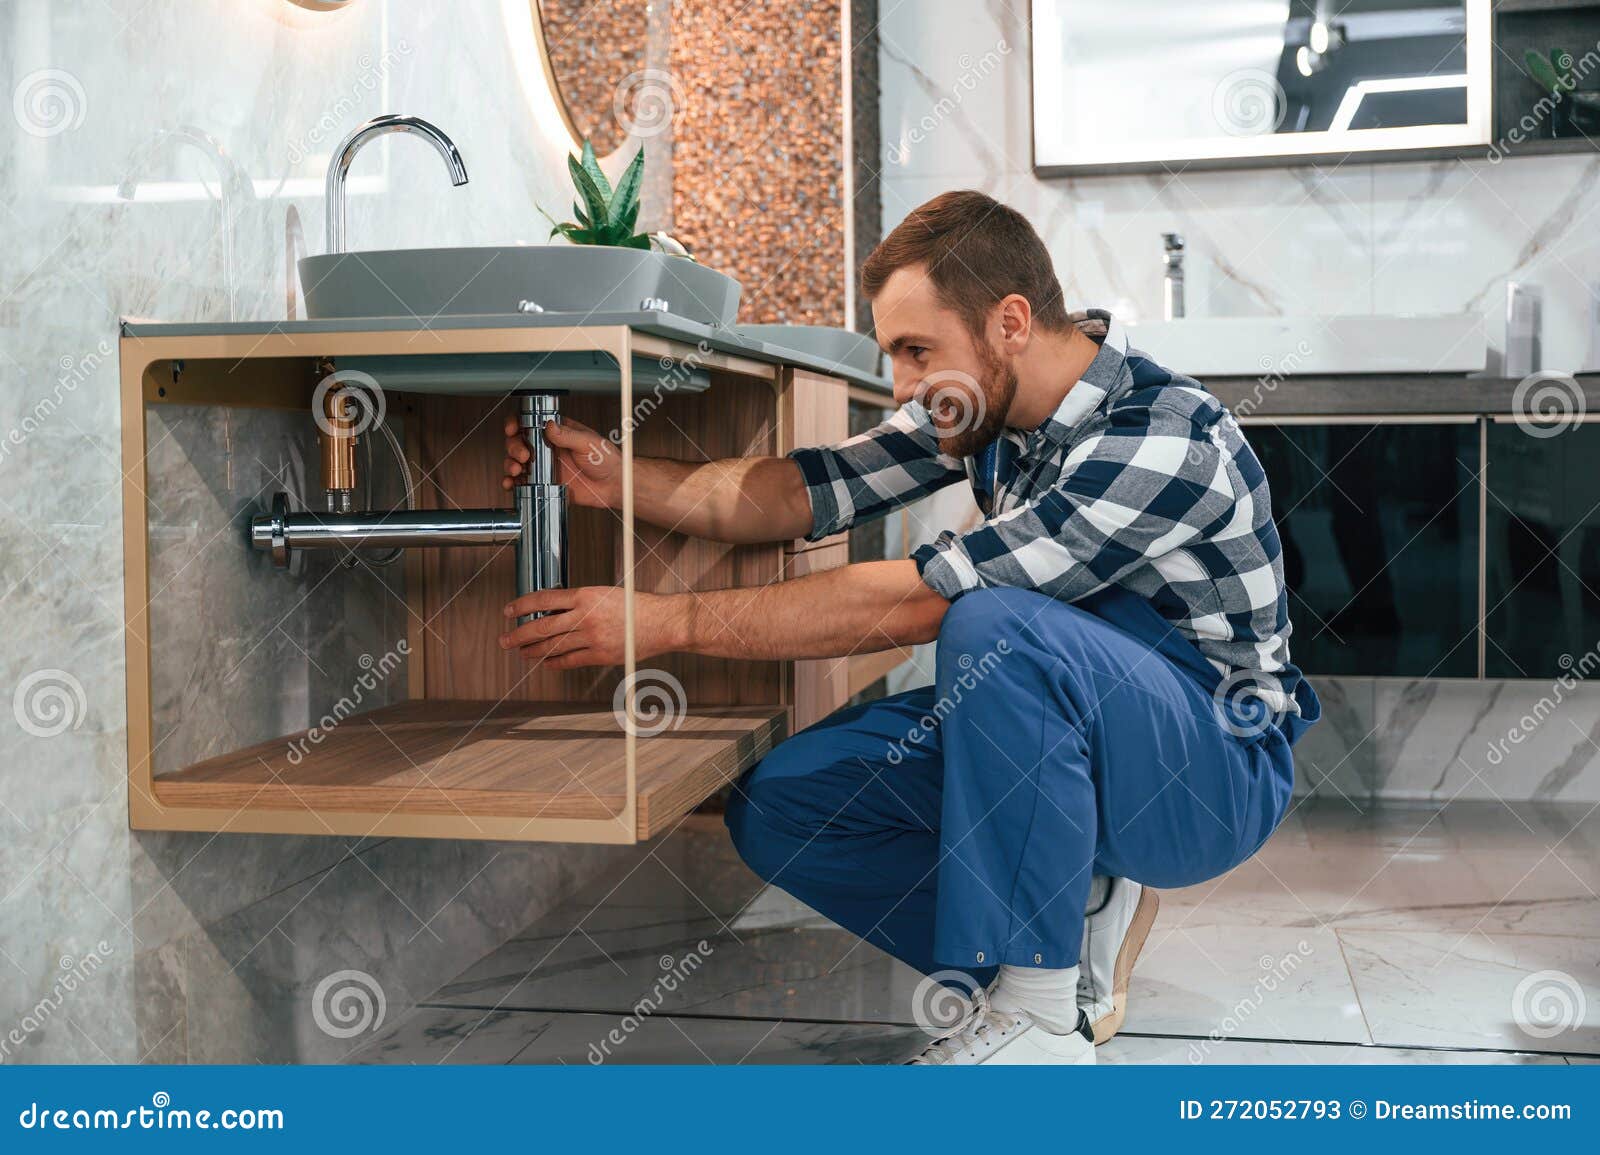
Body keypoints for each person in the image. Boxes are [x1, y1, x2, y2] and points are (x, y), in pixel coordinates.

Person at [496, 189, 1320, 1065]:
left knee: (992, 622)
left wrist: (661, 623)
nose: (901, 385)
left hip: (1209, 772)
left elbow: (929, 600)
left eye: (915, 350)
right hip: (1074, 720)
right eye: (893, 352)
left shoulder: (1161, 437)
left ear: (1009, 322)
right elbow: (804, 491)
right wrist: (616, 477)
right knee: (787, 805)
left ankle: (1040, 1014)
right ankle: (1070, 918)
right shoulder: (987, 406)